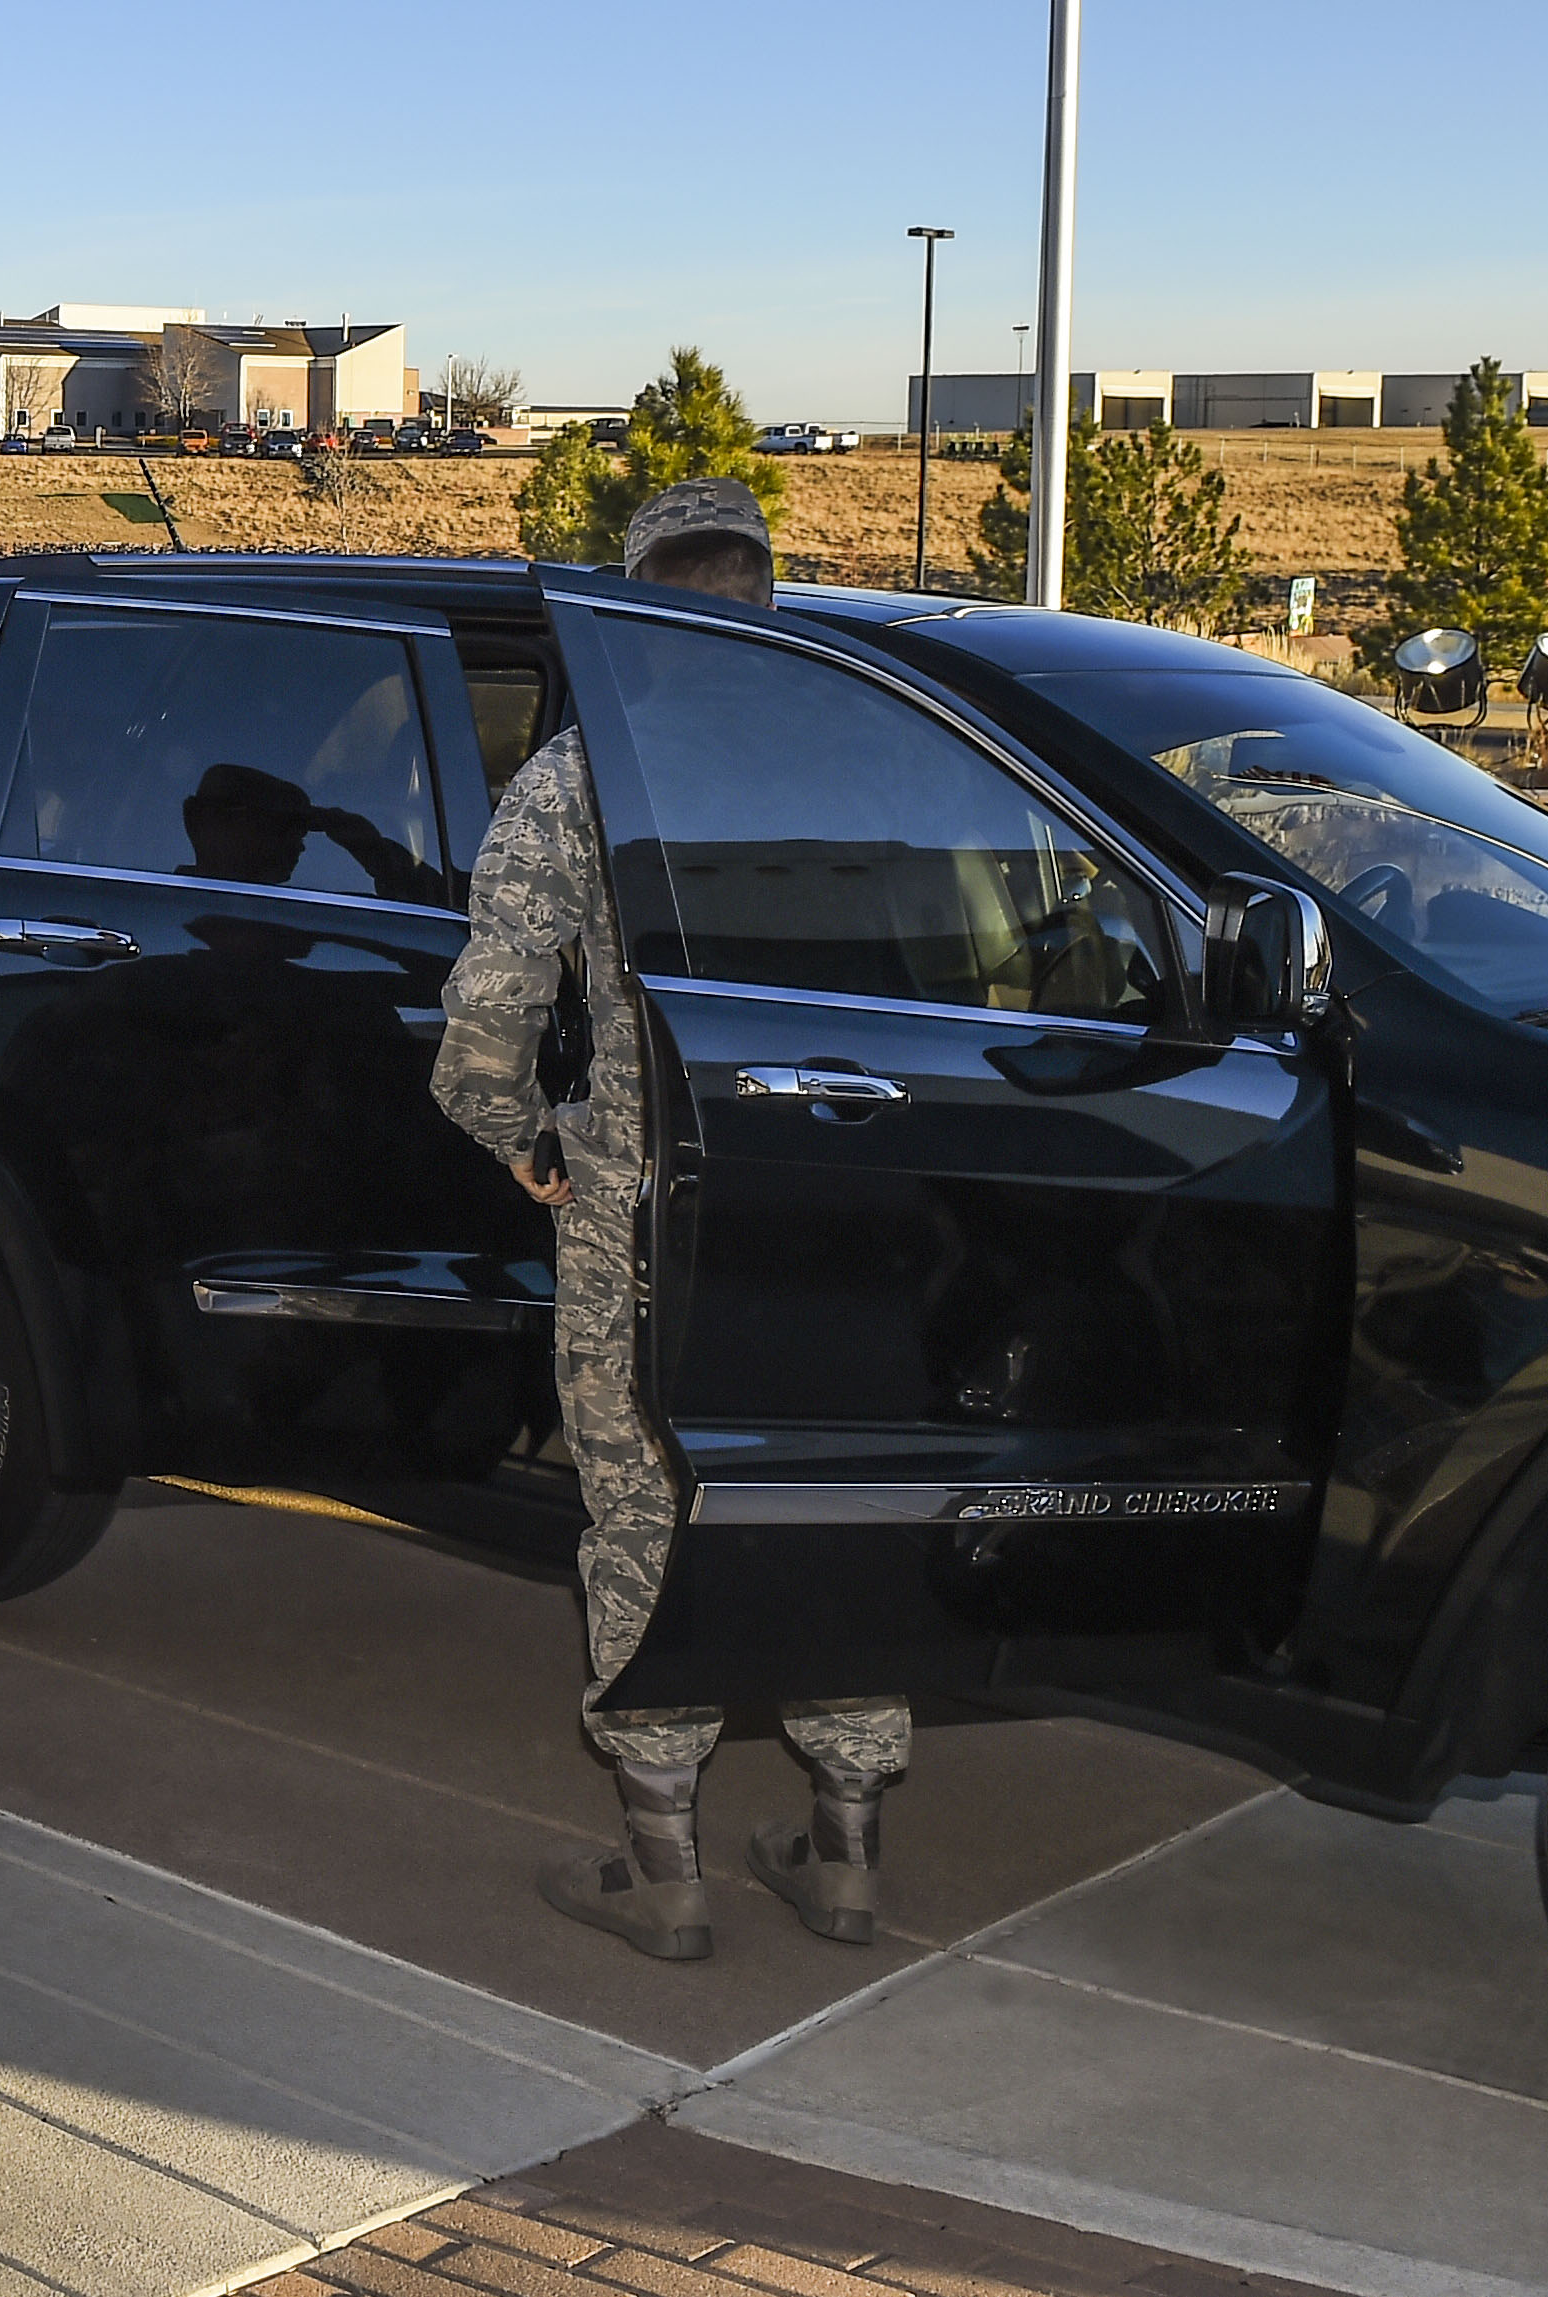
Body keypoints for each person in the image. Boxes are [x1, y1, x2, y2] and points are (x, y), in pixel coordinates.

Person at [432, 477, 909, 1961]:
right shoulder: (872, 752)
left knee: (639, 1504)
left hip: (646, 1209)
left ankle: (667, 1868)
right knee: (834, 1498)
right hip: (848, 1204)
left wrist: (522, 1143)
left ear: (633, 604)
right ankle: (841, 1857)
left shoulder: (574, 784)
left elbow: (483, 1028)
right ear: (768, 594)